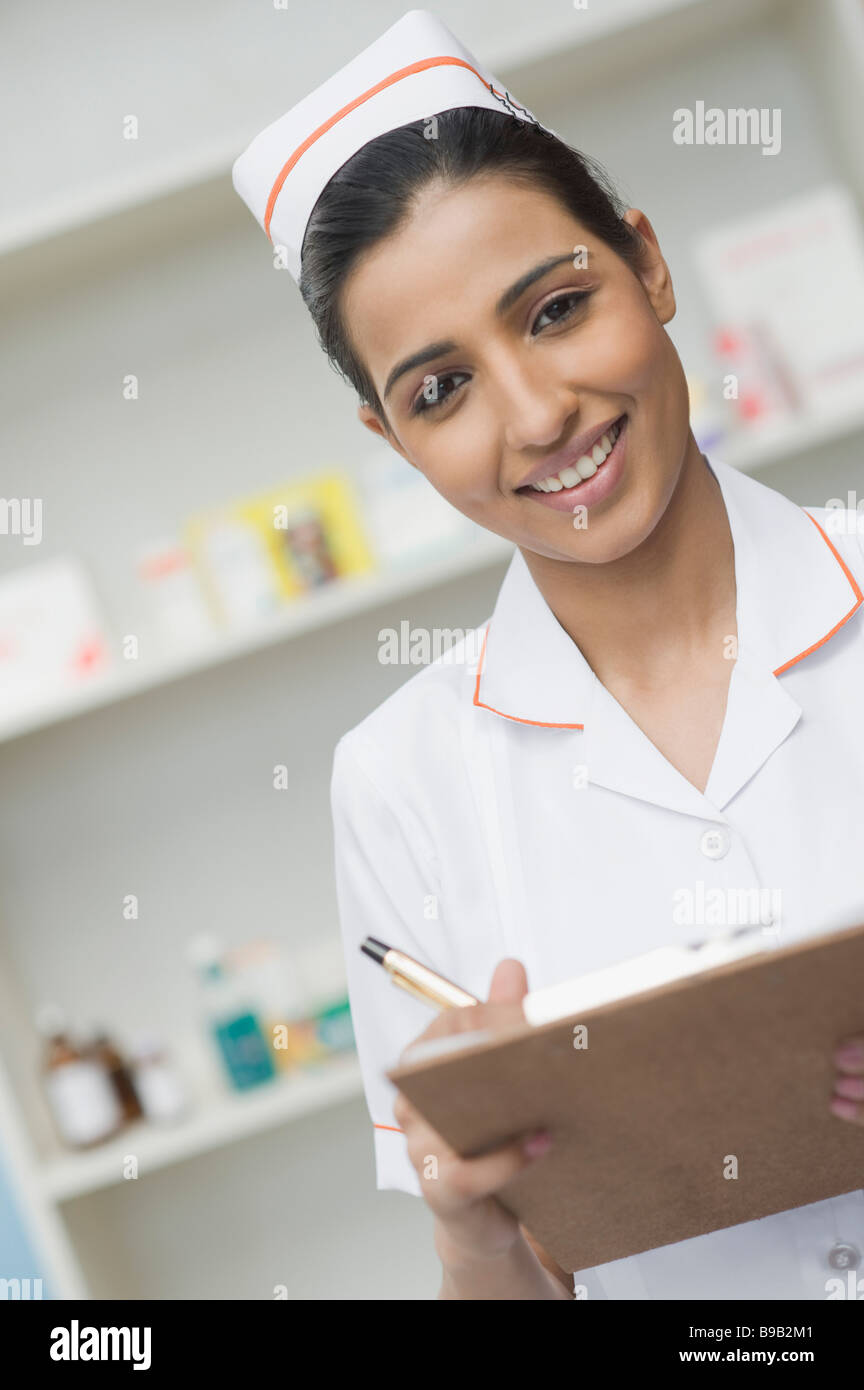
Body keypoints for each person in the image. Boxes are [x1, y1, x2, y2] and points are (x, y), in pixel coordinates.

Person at [233, 9, 864, 1300]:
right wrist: (473, 1231)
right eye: (441, 389)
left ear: (649, 264)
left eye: (559, 308)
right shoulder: (403, 777)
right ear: (391, 435)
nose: (538, 416)